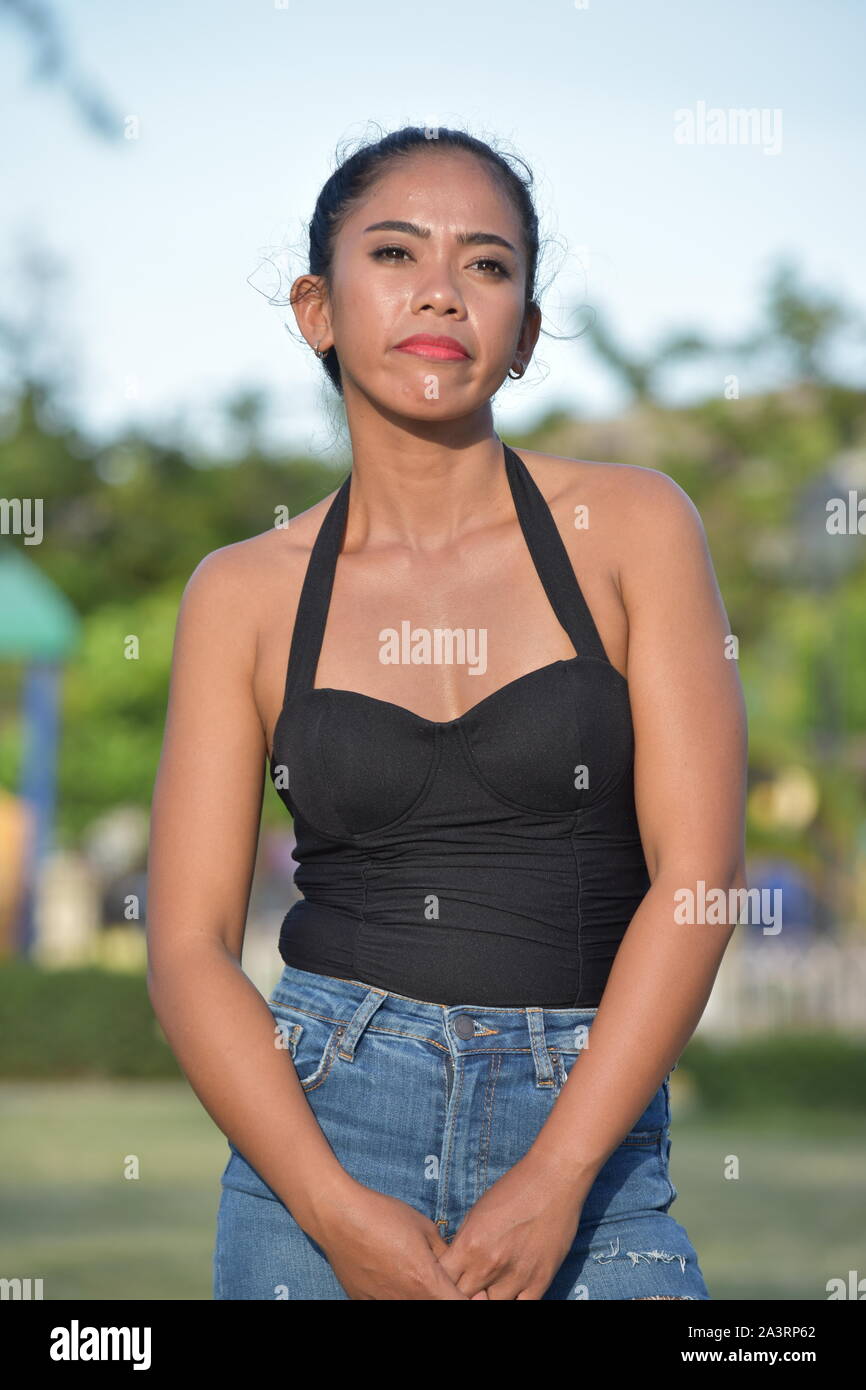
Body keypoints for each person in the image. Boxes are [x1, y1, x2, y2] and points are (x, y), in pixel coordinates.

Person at [147, 125, 748, 1300]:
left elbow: (700, 876)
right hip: (320, 1136)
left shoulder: (632, 527)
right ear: (316, 308)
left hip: (585, 1129)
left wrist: (559, 1172)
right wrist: (330, 1209)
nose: (440, 290)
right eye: (393, 253)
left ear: (523, 333)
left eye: (485, 264)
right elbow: (184, 947)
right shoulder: (242, 592)